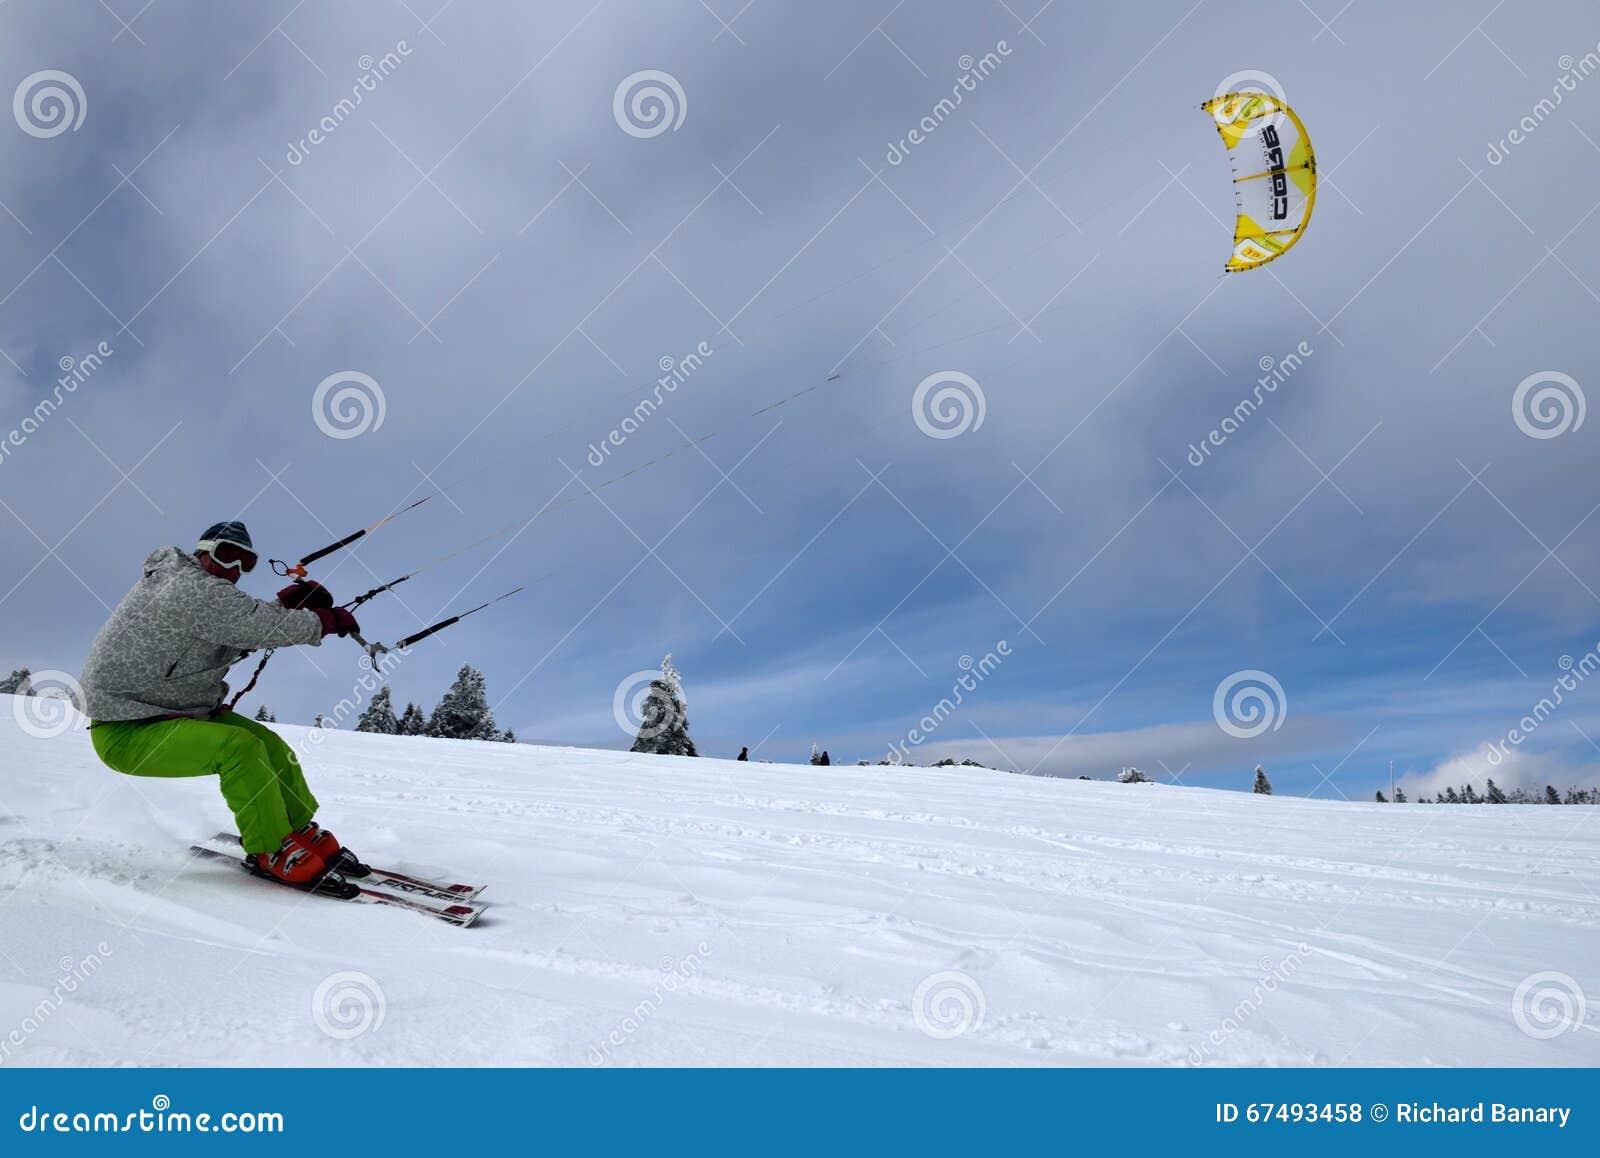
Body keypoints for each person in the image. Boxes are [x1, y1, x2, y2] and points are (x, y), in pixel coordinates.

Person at [79, 521, 363, 890]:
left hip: (180, 712)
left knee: (270, 745)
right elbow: (249, 624)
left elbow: (233, 632)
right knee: (239, 749)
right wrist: (319, 621)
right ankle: (270, 848)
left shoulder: (202, 594)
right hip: (127, 729)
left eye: (246, 563)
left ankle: (296, 830)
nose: (235, 570)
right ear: (202, 552)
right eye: (228, 556)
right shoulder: (185, 586)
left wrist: (285, 607)